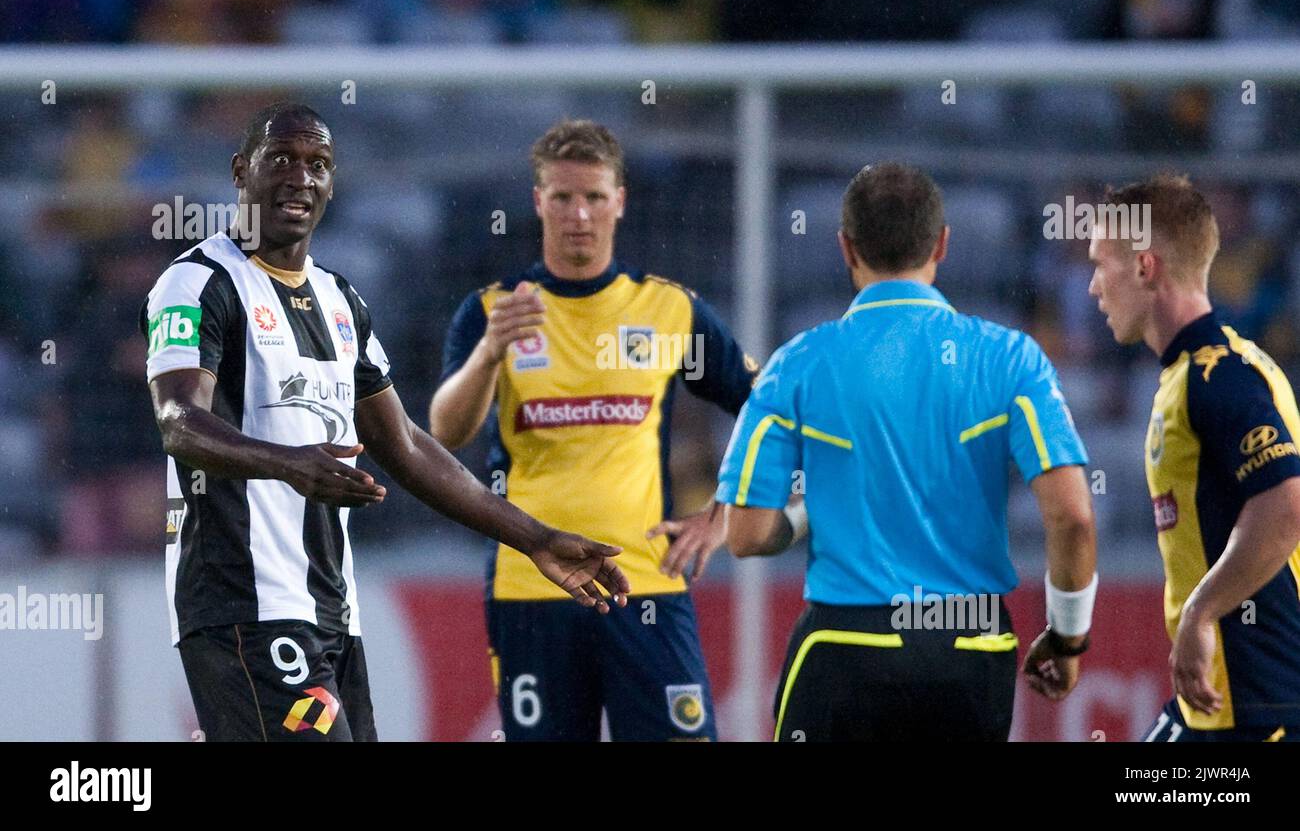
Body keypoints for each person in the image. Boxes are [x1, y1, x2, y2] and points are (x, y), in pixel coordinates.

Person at [143, 103, 628, 743]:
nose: (300, 177)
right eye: (281, 158)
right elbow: (179, 421)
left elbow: (402, 444)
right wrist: (289, 465)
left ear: (333, 184)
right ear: (241, 171)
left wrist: (532, 536)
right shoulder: (198, 282)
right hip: (242, 602)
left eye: (318, 164)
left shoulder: (343, 301)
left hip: (331, 610)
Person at [716, 162, 1098, 742]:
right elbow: (1072, 516)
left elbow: (745, 534)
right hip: (970, 641)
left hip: (844, 642)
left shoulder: (797, 362)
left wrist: (812, 510)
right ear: (942, 243)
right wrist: (1067, 637)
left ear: (846, 247)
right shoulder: (1010, 357)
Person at [429, 119, 757, 741]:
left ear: (620, 201)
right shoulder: (493, 311)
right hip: (532, 586)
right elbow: (445, 431)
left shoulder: (669, 310)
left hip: (648, 587)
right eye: (562, 197)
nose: (578, 214)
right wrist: (488, 355)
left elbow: (765, 407)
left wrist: (725, 511)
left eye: (594, 197)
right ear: (538, 201)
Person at [1088, 174, 1300, 742]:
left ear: (1144, 267)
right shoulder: (1197, 373)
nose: (1092, 287)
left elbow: (1285, 505)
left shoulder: (1219, 374)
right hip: (1216, 703)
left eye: (1102, 264)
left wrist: (1201, 613)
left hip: (1261, 707)